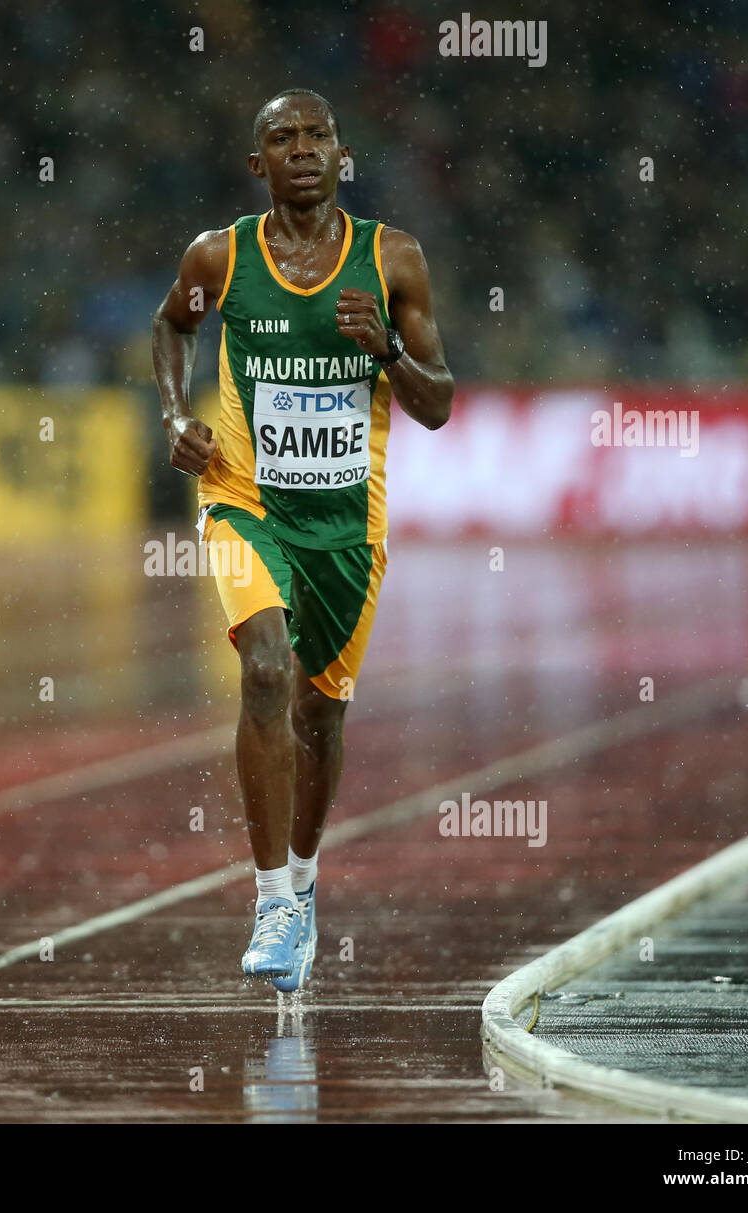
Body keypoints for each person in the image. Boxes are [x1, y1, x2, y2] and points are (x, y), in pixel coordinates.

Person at [151, 89, 453, 991]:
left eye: (317, 134)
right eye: (282, 138)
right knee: (268, 670)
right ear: (259, 164)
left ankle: (307, 882)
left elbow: (438, 405)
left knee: (321, 715)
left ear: (341, 150)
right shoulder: (222, 254)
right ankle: (272, 897)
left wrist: (388, 355)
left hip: (345, 529)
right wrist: (174, 415)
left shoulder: (392, 258)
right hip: (245, 502)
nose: (302, 150)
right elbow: (172, 322)